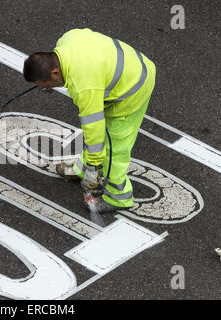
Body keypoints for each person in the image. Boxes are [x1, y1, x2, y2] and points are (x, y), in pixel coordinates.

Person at [23, 28, 156, 213]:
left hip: (133, 87)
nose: (47, 89)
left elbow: (94, 127)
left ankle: (118, 197)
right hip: (133, 65)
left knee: (113, 145)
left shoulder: (84, 85)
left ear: (55, 73)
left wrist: (94, 166)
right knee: (96, 141)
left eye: (46, 86)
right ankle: (82, 169)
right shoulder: (66, 41)